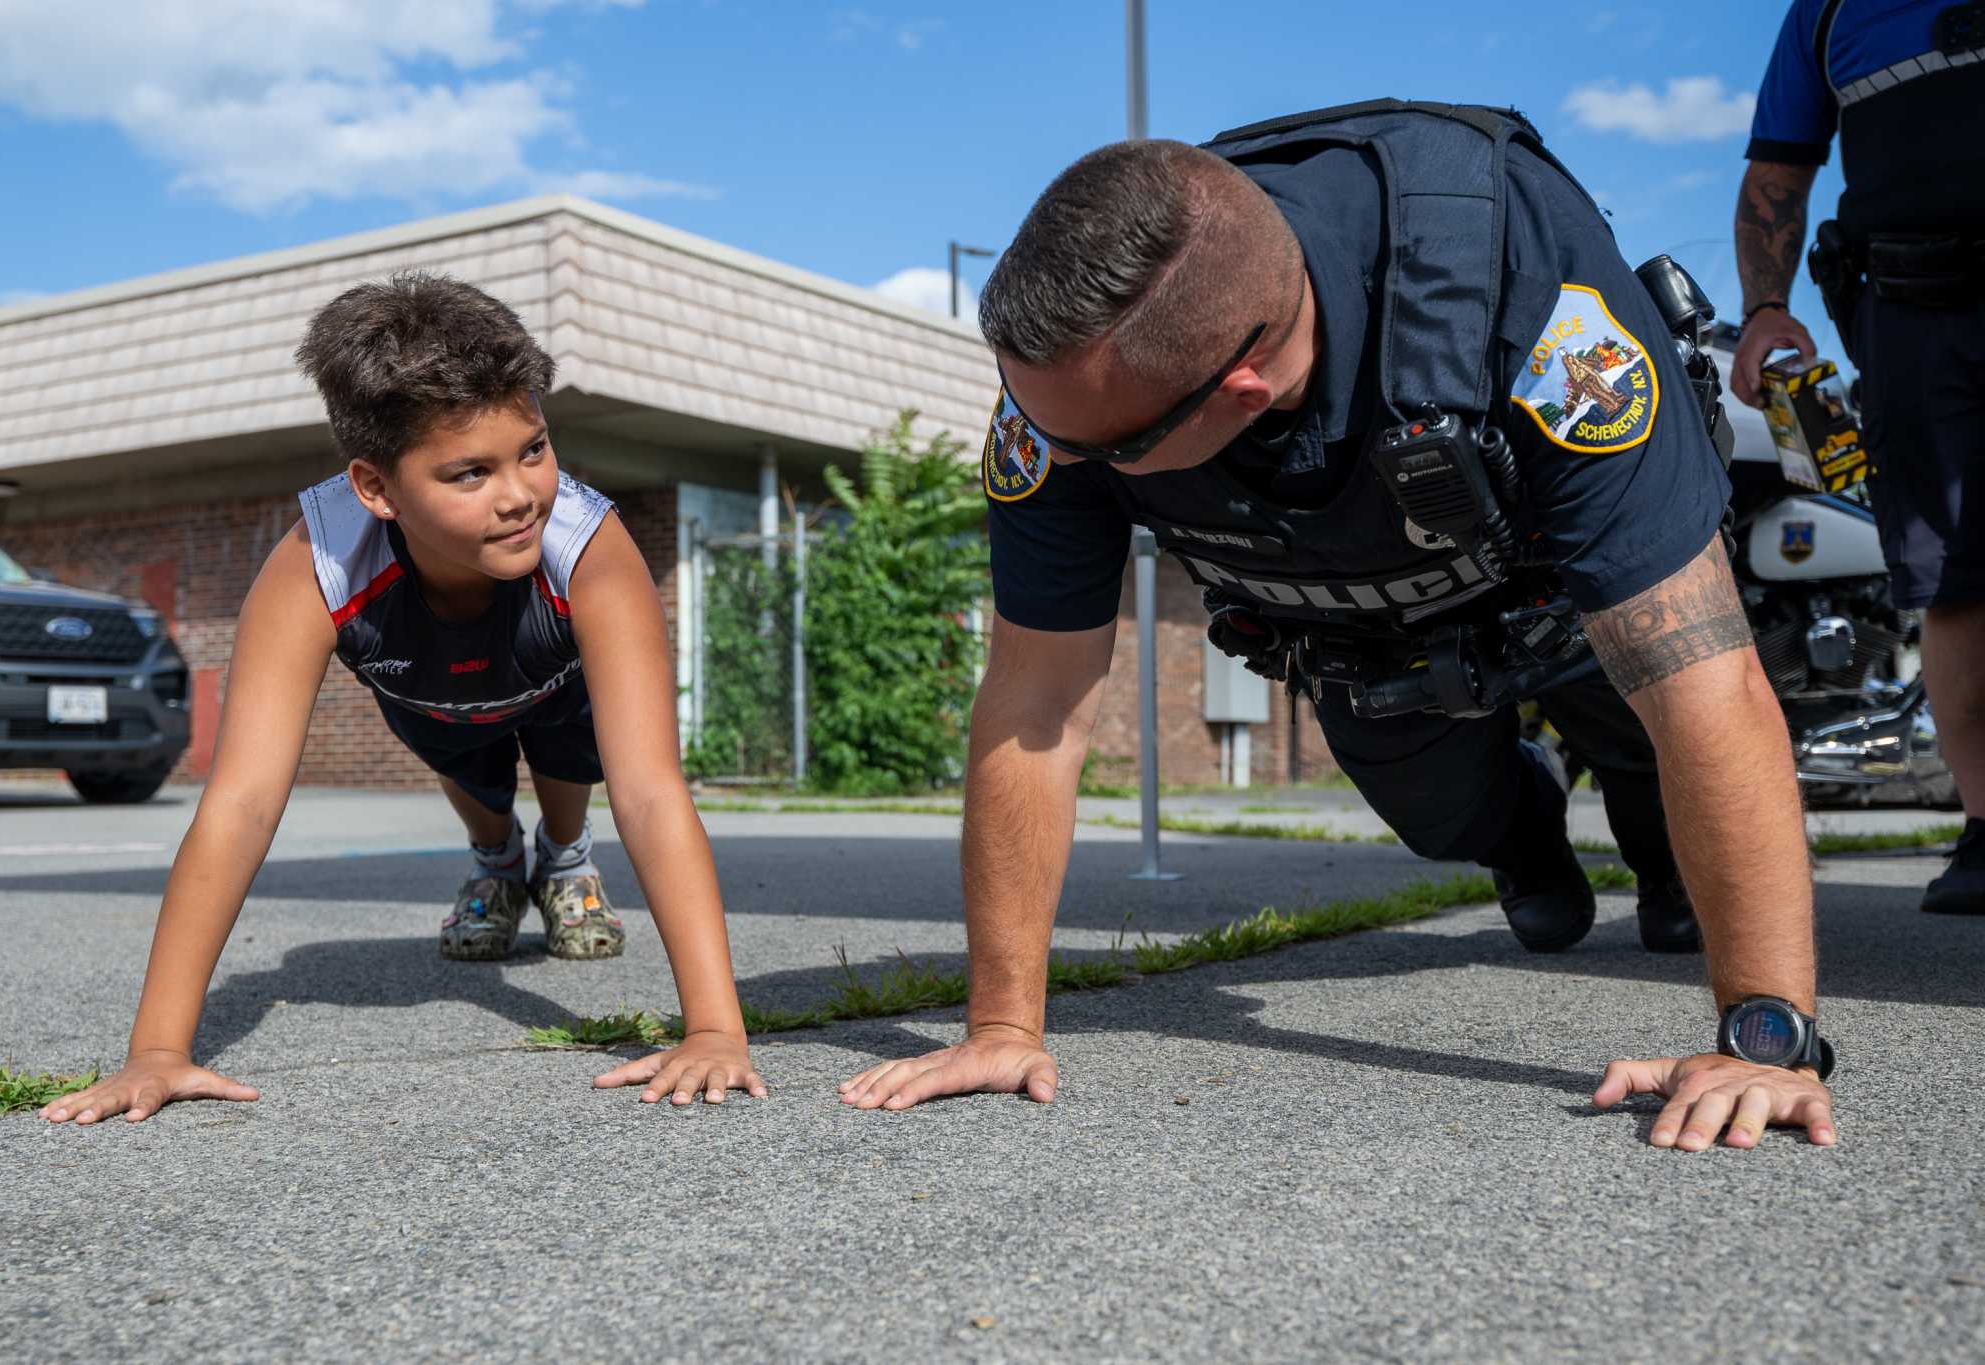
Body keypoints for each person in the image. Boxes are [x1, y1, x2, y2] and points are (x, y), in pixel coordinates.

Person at [840, 102, 1839, 1150]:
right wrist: (1001, 1026)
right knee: (1444, 817)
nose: (1054, 462)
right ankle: (1526, 831)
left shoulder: (1536, 307)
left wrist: (1763, 1036)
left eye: (1099, 452)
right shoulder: (1076, 395)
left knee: (1636, 709)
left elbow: (1703, 682)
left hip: (1559, 579)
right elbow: (1035, 702)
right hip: (1364, 624)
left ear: (1242, 390)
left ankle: (1660, 864)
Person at [40, 273, 766, 1123]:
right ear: (377, 488)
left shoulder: (588, 544)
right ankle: (498, 861)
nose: (519, 494)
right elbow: (239, 802)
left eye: (533, 449)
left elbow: (649, 790)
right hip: (434, 697)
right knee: (473, 768)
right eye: (469, 473)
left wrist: (714, 1029)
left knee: (571, 753)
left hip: (555, 686)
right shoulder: (317, 566)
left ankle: (565, 858)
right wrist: (158, 1051)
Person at [1731, 0, 1985, 915]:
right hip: (1915, 318)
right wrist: (1765, 308)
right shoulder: (1828, 12)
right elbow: (1776, 176)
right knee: (1953, 582)